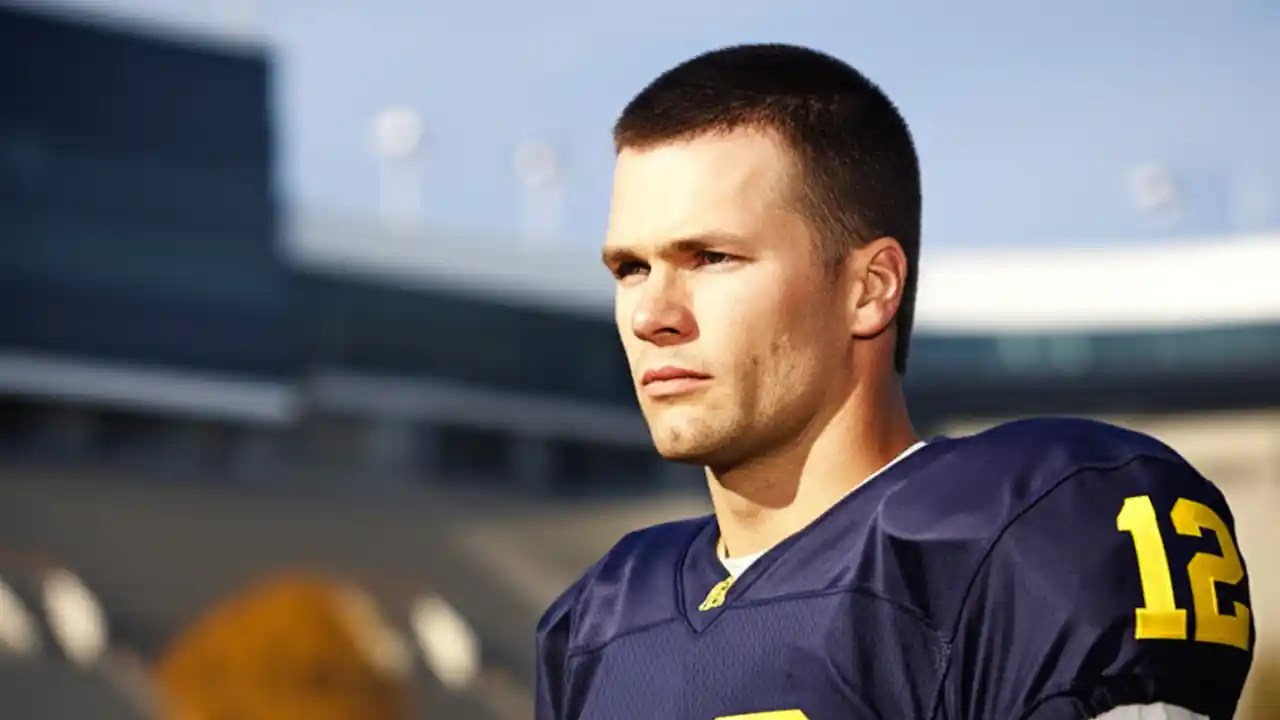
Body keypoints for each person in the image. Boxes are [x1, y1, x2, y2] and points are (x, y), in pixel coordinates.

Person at [536, 43, 1253, 720]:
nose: (652, 315)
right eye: (631, 268)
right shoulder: (598, 619)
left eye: (713, 257)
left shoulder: (1027, 539)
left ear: (869, 289)